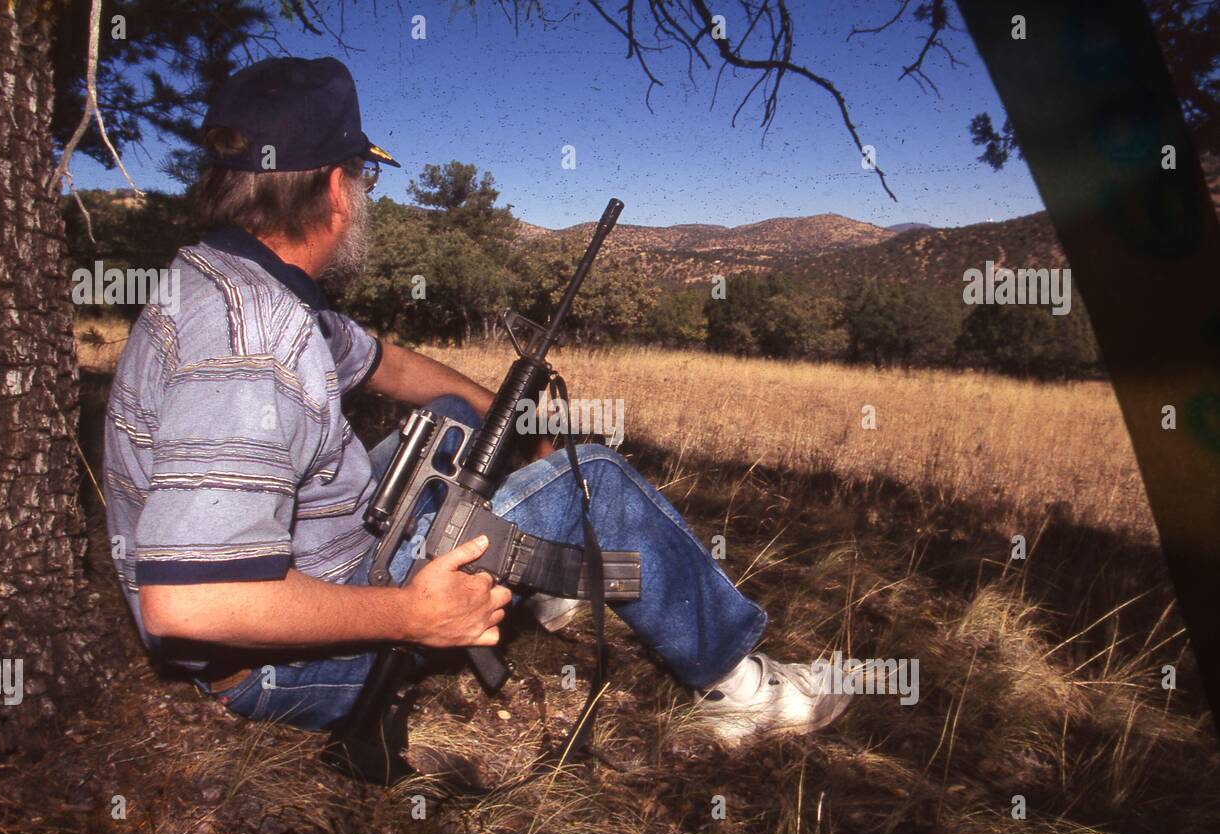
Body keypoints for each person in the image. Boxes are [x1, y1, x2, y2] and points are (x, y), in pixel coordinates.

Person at [103, 56, 852, 748]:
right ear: (335, 187)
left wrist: (512, 419)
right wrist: (413, 614)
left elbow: (391, 366)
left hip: (320, 573)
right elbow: (189, 603)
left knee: (467, 424)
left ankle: (539, 584)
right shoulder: (250, 342)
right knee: (598, 479)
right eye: (362, 176)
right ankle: (741, 689)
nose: (363, 195)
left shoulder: (237, 282)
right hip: (281, 665)